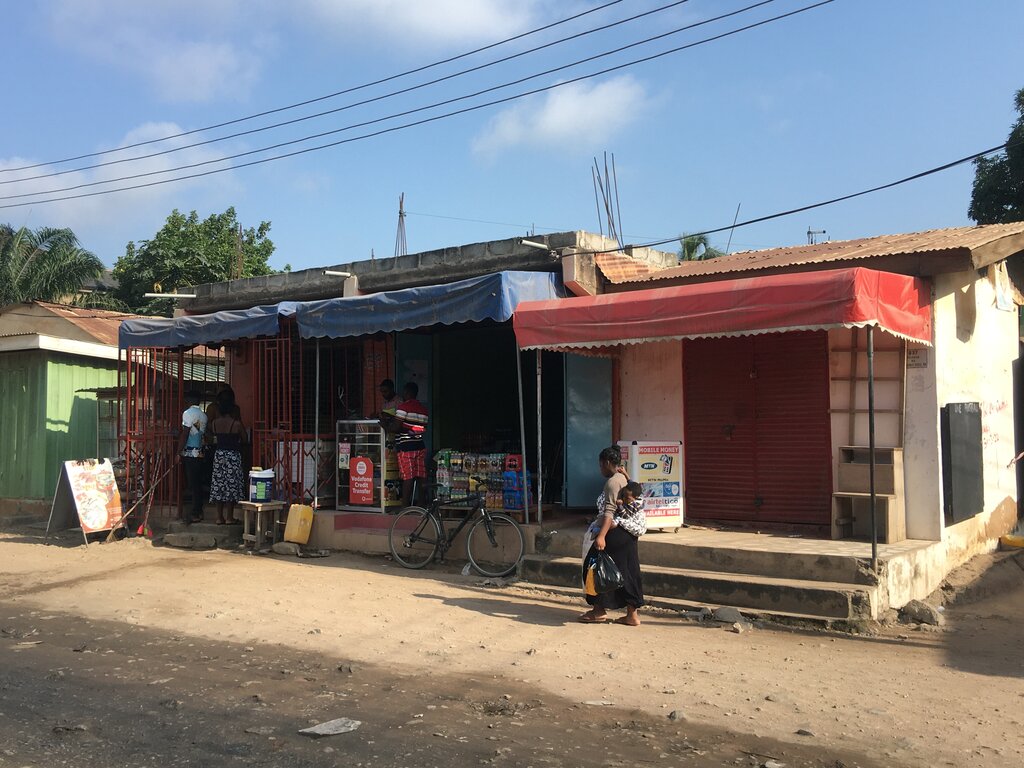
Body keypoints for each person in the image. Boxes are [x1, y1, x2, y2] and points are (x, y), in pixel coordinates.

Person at [579, 446, 645, 626]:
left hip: (614, 532)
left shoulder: (612, 483)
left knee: (594, 566)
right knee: (629, 571)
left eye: (601, 465)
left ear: (607, 463)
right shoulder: (623, 477)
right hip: (629, 533)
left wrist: (601, 536)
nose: (600, 469)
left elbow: (609, 512)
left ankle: (598, 610)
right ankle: (632, 614)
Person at [208, 389, 247, 525]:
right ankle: (229, 517)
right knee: (231, 486)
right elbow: (245, 439)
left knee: (219, 485)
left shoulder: (214, 423)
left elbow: (213, 435)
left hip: (219, 456)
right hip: (233, 456)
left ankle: (219, 517)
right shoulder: (236, 424)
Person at [389, 381, 429, 507]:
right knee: (421, 476)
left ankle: (405, 507)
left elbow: (395, 427)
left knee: (408, 477)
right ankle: (422, 505)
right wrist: (410, 429)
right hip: (420, 445)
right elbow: (422, 429)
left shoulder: (403, 408)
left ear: (406, 393)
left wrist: (385, 424)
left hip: (406, 447)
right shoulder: (424, 410)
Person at [178, 390, 208, 524]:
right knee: (198, 483)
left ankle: (195, 512)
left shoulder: (187, 414)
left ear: (188, 401)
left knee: (192, 483)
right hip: (200, 452)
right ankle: (198, 511)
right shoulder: (204, 415)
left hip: (190, 453)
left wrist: (178, 452)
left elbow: (185, 433)